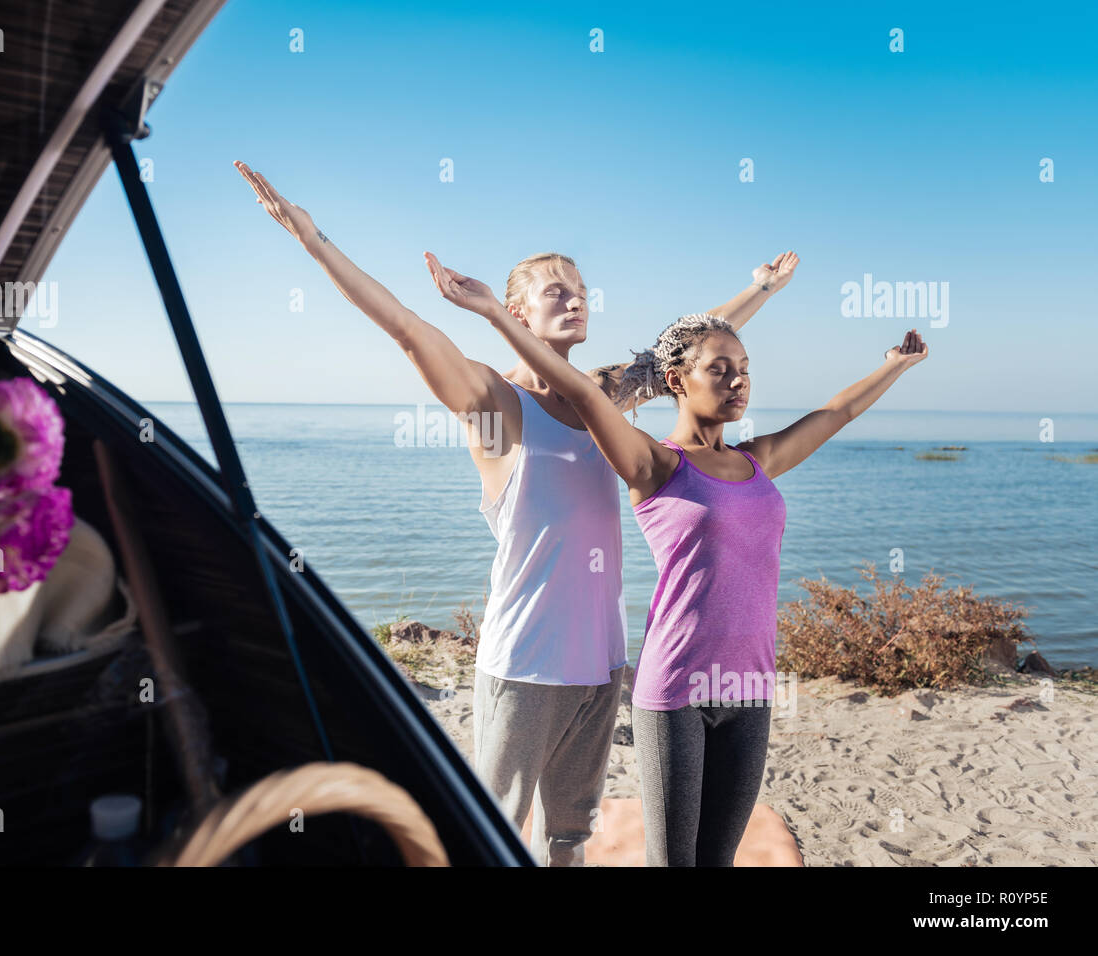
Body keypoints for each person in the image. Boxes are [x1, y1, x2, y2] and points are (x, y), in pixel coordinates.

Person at [234, 161, 797, 865]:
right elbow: (409, 330)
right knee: (494, 836)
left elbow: (685, 351)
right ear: (518, 312)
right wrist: (314, 241)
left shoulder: (603, 398)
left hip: (602, 663)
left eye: (582, 290)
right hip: (524, 664)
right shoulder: (496, 405)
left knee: (570, 837)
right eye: (555, 290)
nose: (576, 299)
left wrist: (760, 290)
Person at [425, 256, 929, 866]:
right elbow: (593, 388)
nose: (738, 380)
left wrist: (889, 366)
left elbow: (831, 412)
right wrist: (492, 314)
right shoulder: (655, 463)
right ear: (676, 381)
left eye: (744, 369)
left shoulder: (757, 459)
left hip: (750, 683)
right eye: (721, 371)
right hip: (669, 685)